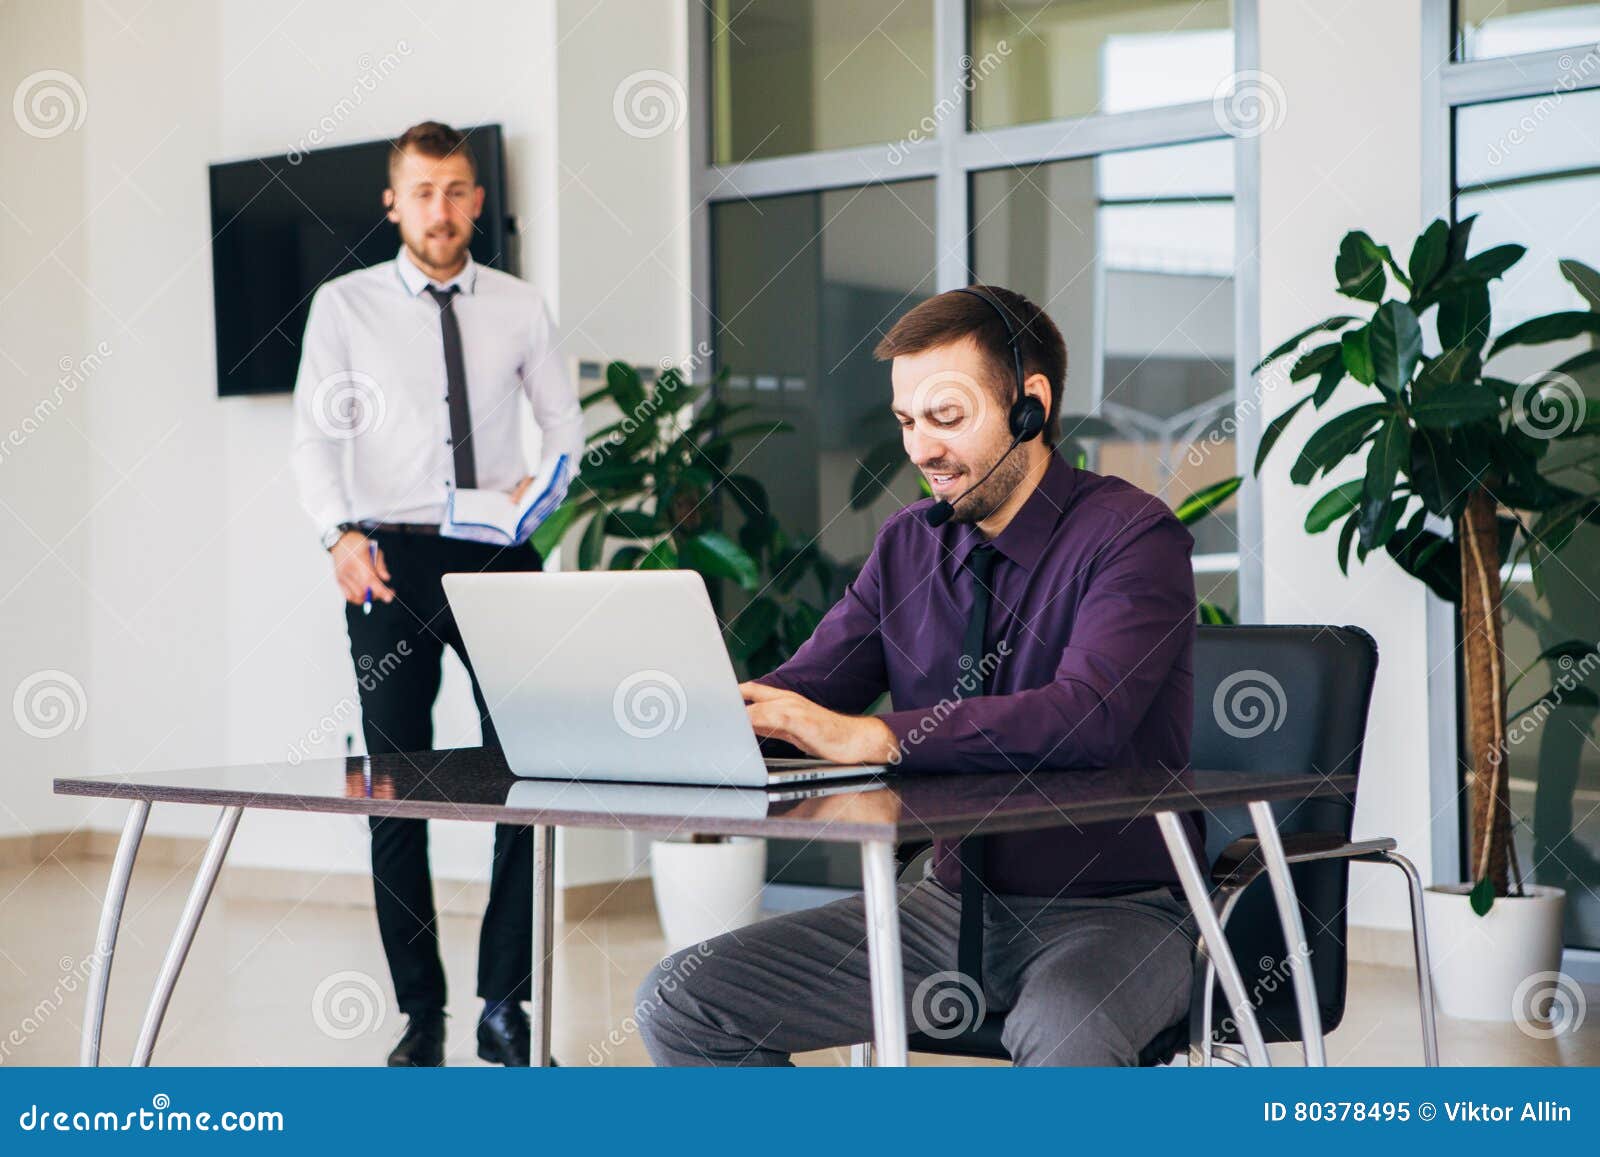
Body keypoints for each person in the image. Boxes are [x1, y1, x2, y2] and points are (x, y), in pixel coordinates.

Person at [635, 286, 1203, 1066]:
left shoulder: (1133, 537)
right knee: (685, 1002)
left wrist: (876, 735)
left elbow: (1087, 715)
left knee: (1063, 1033)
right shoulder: (908, 546)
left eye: (946, 417)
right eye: (907, 421)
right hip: (946, 908)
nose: (920, 449)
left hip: (1115, 914)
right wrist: (681, 719)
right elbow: (808, 692)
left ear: (1030, 405)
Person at [290, 120, 582, 1066]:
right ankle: (423, 1016)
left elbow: (563, 436)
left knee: (534, 766)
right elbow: (312, 438)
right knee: (394, 784)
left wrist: (528, 503)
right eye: (423, 192)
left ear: (476, 199)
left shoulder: (521, 307)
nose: (441, 209)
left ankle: (507, 1001)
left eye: (456, 189)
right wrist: (337, 534)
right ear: (394, 202)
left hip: (497, 553)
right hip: (386, 556)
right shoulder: (346, 307)